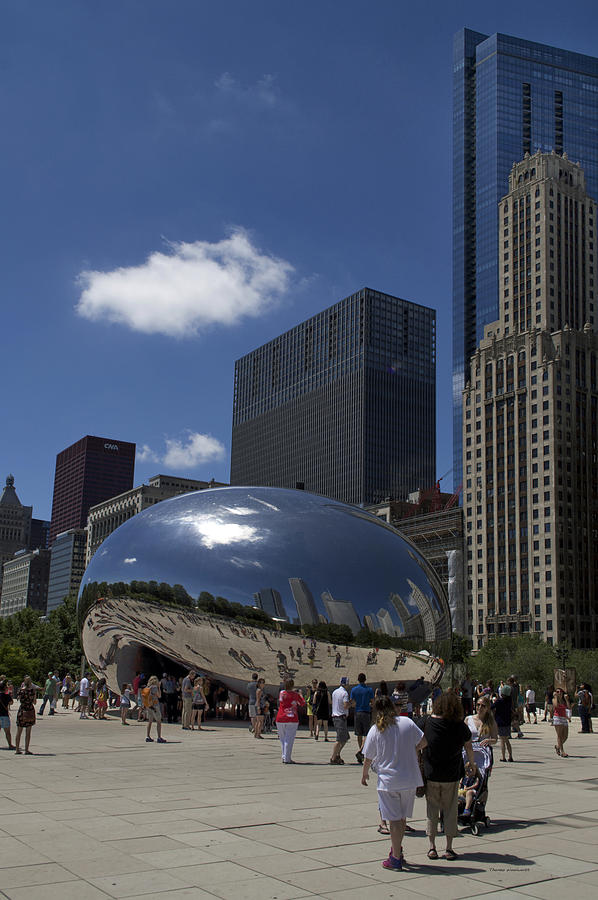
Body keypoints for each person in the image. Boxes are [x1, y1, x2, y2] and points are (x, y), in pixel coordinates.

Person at [361, 695, 426, 871]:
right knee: (402, 818)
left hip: (389, 781)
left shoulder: (376, 729)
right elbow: (423, 742)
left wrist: (364, 774)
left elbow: (368, 756)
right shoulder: (407, 722)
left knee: (394, 820)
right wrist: (410, 749)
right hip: (409, 778)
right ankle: (397, 849)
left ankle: (395, 857)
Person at [422, 690, 475, 861]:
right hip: (451, 774)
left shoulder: (428, 723)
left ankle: (432, 847)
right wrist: (471, 764)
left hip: (432, 773)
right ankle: (449, 848)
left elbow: (419, 743)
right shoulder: (460, 726)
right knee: (450, 810)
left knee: (432, 810)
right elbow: (468, 746)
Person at [275, 678, 306, 764]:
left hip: (280, 717)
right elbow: (302, 703)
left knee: (282, 738)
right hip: (292, 718)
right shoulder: (295, 695)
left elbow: (281, 700)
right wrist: (300, 694)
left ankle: (284, 755)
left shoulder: (281, 693)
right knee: (289, 739)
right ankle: (287, 758)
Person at [351, 673, 374, 764]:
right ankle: (362, 751)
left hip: (357, 712)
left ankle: (361, 750)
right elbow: (372, 702)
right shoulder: (369, 690)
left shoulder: (354, 690)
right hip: (366, 712)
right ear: (365, 679)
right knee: (366, 734)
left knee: (359, 734)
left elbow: (352, 702)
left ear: (358, 679)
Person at [330, 676, 352, 765]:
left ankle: (337, 754)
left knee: (345, 737)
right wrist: (352, 703)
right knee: (339, 739)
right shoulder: (345, 693)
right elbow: (345, 705)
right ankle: (333, 757)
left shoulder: (335, 692)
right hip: (340, 717)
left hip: (335, 715)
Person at [15, 676, 38, 755]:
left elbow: (18, 698)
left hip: (22, 710)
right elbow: (34, 702)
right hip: (29, 709)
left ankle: (17, 749)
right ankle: (26, 749)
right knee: (28, 732)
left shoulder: (20, 691)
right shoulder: (32, 691)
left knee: (19, 731)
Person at [493, 684, 514, 762]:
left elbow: (492, 706)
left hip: (500, 722)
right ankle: (510, 756)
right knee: (506, 740)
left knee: (502, 740)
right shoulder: (509, 701)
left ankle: (503, 757)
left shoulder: (499, 701)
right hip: (507, 722)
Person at [143, 675, 166, 743]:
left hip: (148, 706)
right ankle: (159, 737)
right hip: (155, 706)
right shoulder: (155, 687)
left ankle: (148, 736)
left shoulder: (147, 687)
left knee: (150, 721)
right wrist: (159, 687)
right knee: (158, 721)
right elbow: (159, 695)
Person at [553, 687, 571, 757]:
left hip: (564, 718)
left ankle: (558, 746)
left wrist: (567, 700)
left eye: (560, 692)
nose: (559, 693)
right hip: (557, 718)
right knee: (559, 736)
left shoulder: (564, 701)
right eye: (557, 692)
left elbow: (569, 707)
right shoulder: (554, 699)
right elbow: (556, 706)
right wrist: (556, 697)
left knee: (565, 736)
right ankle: (562, 751)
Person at [0, 679, 15, 749]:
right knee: (7, 732)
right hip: (4, 715)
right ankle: (10, 744)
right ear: (5, 688)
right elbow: (11, 703)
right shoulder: (6, 695)